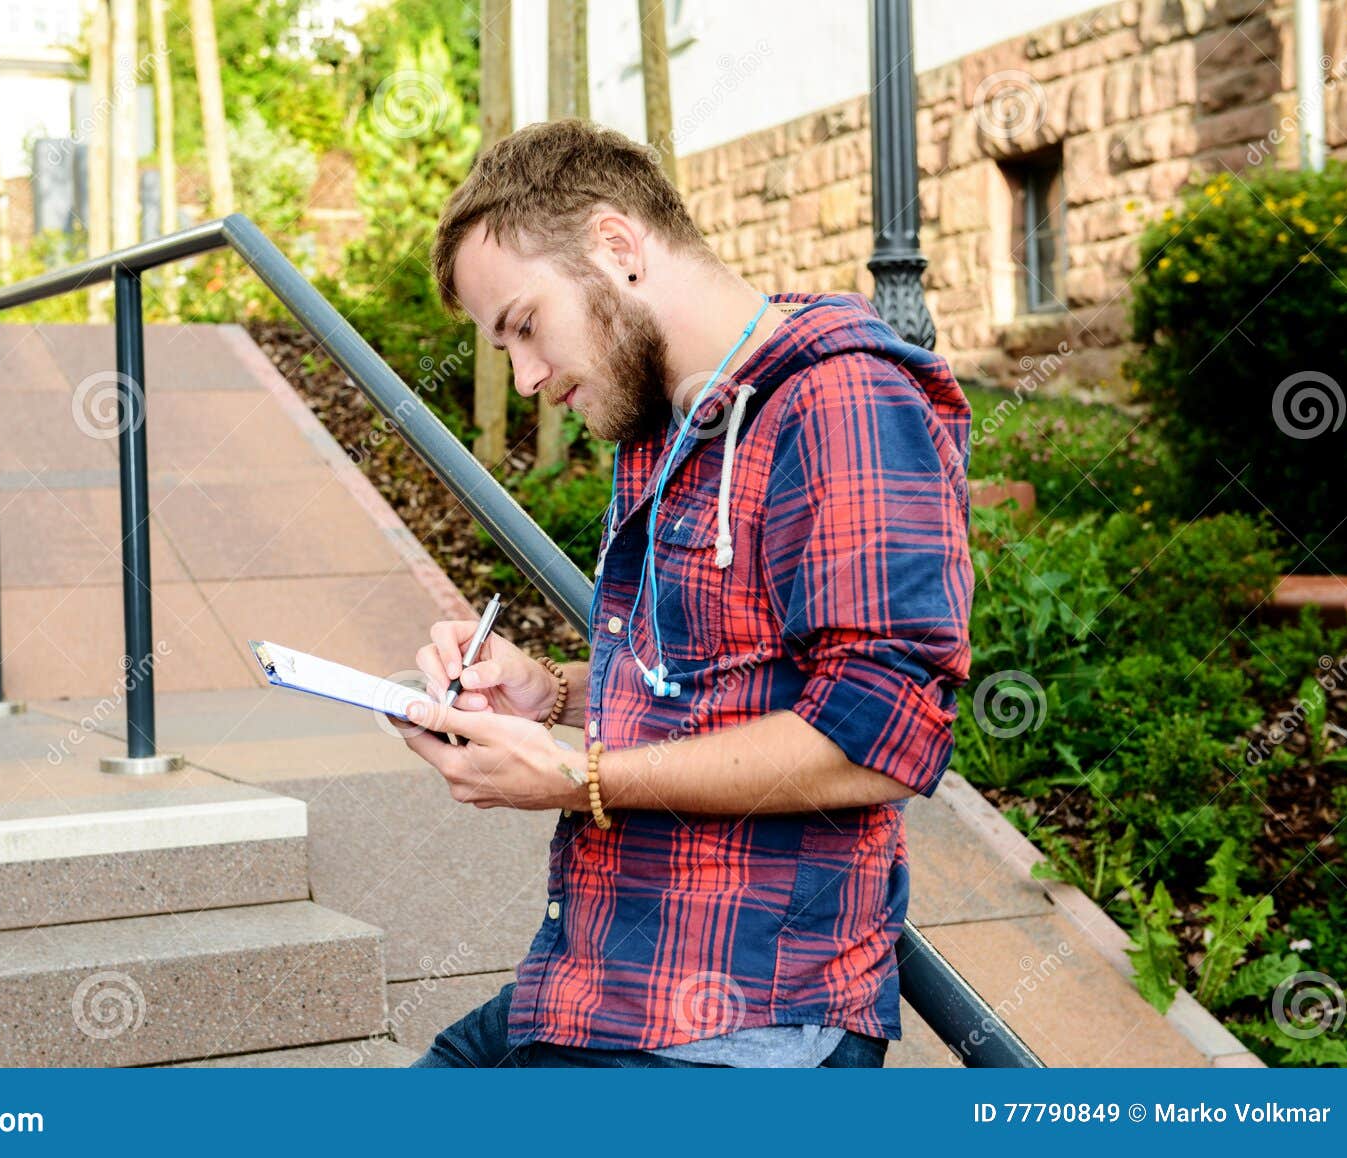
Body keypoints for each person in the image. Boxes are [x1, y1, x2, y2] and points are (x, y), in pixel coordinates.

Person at [399, 119, 973, 1068]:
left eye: (525, 327)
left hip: (737, 1020)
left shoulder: (842, 401)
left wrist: (581, 777)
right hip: (601, 978)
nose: (528, 376)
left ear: (617, 249)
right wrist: (553, 693)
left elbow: (881, 743)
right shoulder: (661, 420)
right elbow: (711, 681)